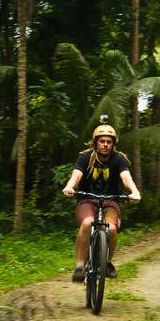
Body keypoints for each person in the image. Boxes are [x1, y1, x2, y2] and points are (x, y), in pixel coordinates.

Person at [62, 121, 141, 282]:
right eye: (102, 141)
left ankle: (107, 262)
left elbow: (126, 178)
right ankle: (80, 265)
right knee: (87, 223)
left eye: (109, 142)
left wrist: (134, 192)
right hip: (87, 199)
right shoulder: (85, 157)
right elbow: (76, 176)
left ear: (113, 144)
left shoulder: (119, 159)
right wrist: (69, 187)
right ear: (95, 142)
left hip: (110, 201)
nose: (105, 144)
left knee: (111, 229)